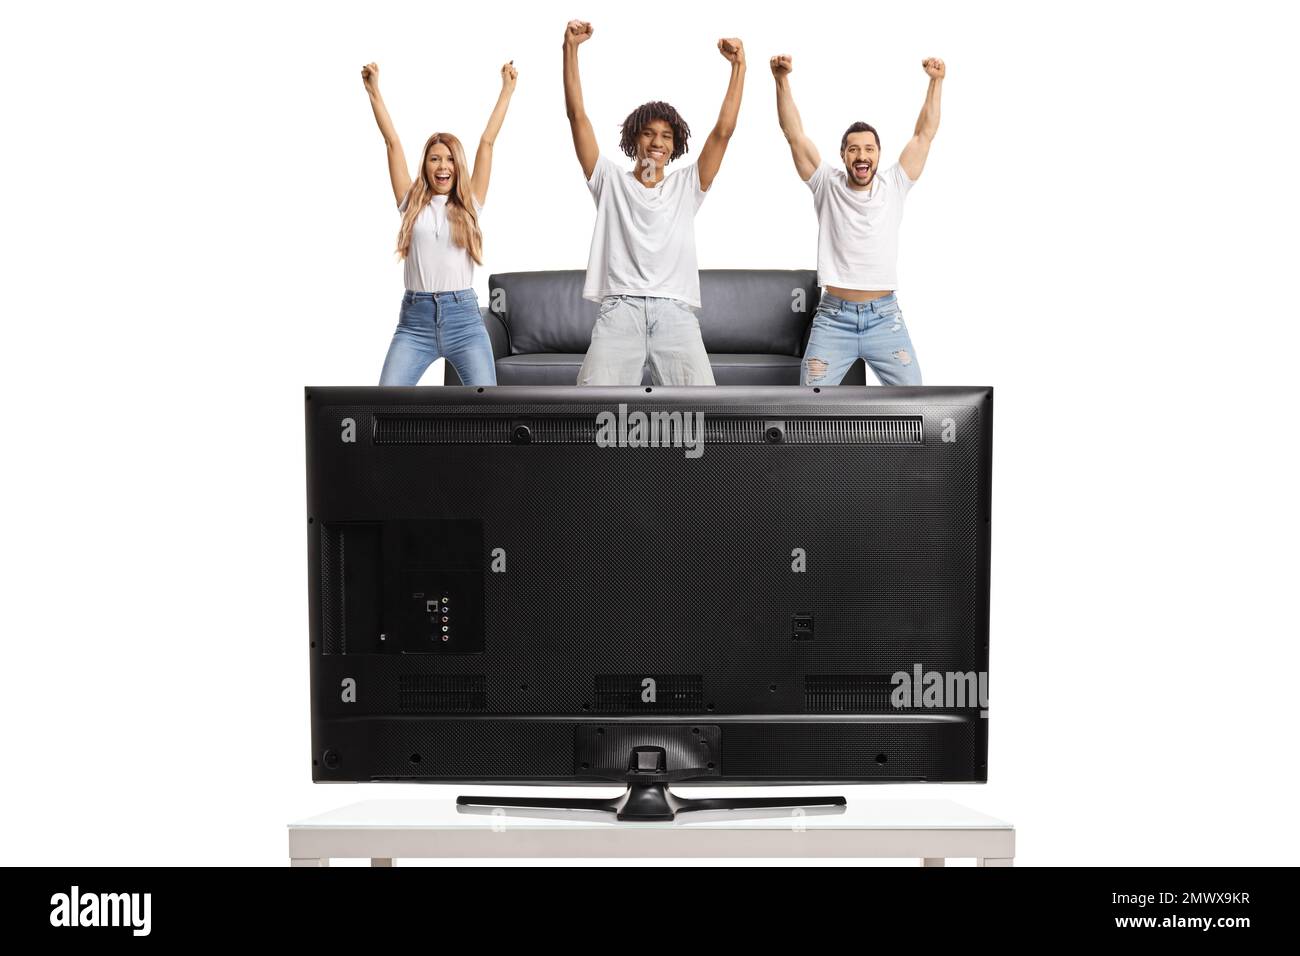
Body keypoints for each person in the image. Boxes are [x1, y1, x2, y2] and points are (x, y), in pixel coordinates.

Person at [562, 20, 746, 386]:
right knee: (587, 407)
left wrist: (739, 67)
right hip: (620, 310)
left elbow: (723, 132)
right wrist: (571, 50)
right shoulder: (609, 180)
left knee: (706, 412)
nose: (656, 142)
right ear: (635, 139)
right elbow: (577, 116)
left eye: (665, 136)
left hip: (675, 312)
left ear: (675, 146)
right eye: (648, 133)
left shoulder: (687, 185)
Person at [771, 54, 945, 386]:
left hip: (885, 318)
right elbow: (793, 134)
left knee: (915, 404)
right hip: (834, 318)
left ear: (878, 154)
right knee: (807, 406)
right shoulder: (826, 184)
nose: (861, 156)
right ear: (843, 156)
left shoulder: (894, 184)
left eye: (868, 149)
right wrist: (781, 79)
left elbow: (924, 134)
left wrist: (936, 82)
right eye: (853, 150)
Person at [361, 60, 517, 386]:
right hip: (414, 321)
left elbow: (487, 142)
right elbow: (392, 142)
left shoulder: (471, 202)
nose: (442, 165)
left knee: (488, 406)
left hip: (464, 319)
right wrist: (374, 90)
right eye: (435, 158)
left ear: (457, 167)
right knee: (386, 403)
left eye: (449, 159)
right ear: (426, 165)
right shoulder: (410, 203)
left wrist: (507, 89)